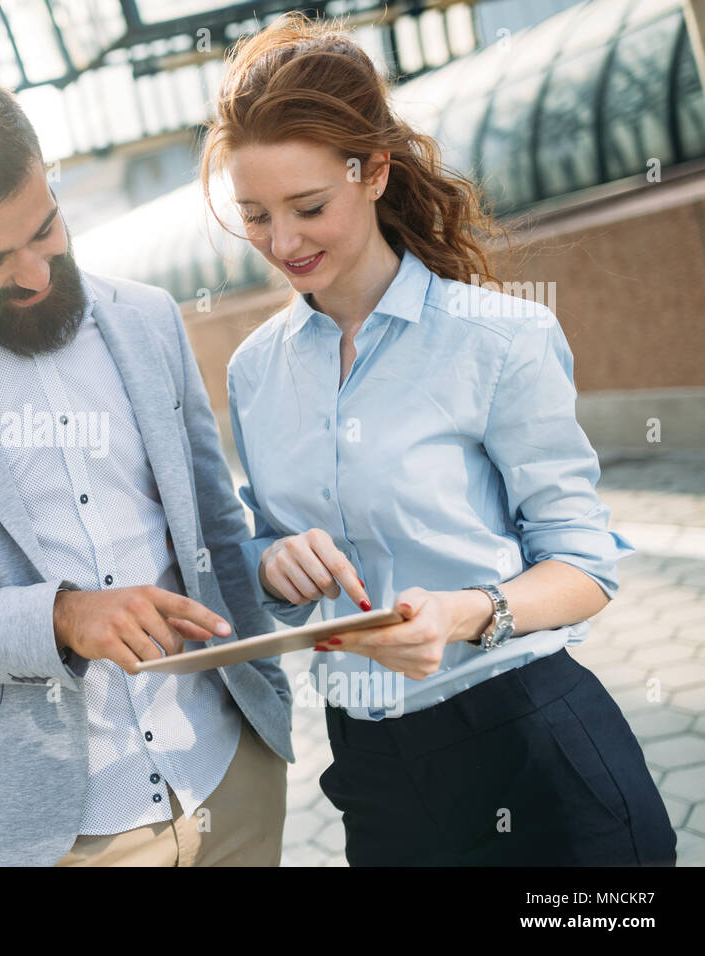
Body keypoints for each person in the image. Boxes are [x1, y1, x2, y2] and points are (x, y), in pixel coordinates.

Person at [202, 13, 676, 865]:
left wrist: (469, 612)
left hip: (529, 745)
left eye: (308, 208)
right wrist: (274, 562)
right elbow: (269, 558)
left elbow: (585, 565)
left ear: (375, 170)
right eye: (255, 215)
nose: (282, 243)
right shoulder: (253, 373)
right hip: (373, 769)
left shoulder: (499, 339)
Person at [0, 72, 292, 867]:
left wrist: (270, 693)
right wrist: (61, 617)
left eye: (46, 229)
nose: (34, 272)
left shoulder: (147, 318)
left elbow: (214, 527)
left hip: (226, 782)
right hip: (43, 841)